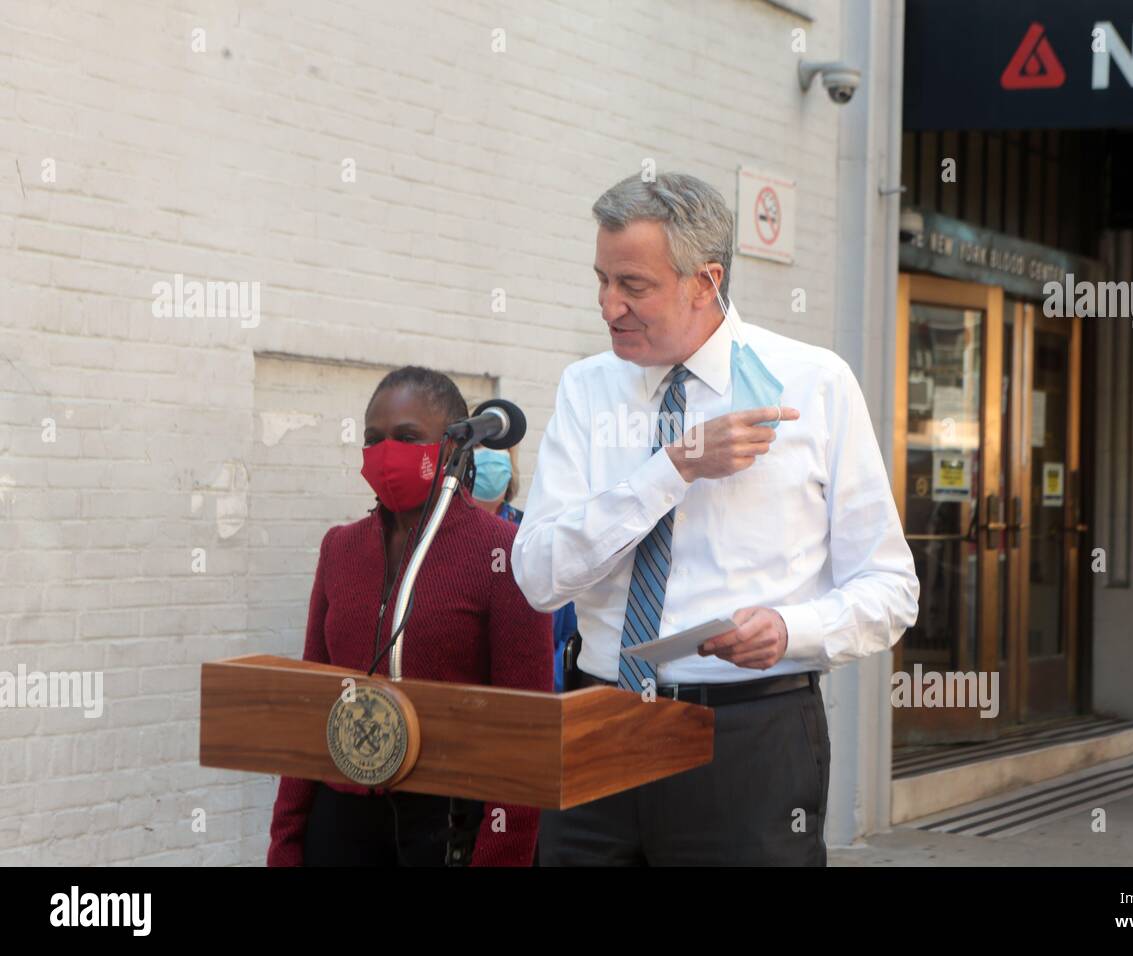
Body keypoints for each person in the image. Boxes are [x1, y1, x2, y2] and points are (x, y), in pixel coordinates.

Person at [511, 172, 919, 866]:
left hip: (748, 739)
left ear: (705, 281)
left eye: (633, 286)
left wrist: (794, 629)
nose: (609, 306)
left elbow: (890, 588)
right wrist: (672, 470)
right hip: (596, 724)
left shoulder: (815, 384)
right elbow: (539, 578)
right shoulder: (587, 388)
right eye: (602, 280)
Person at [267, 366, 554, 866]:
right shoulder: (340, 548)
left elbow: (527, 735)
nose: (386, 453)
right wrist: (286, 844)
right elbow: (311, 707)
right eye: (373, 439)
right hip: (341, 822)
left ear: (451, 446)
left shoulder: (505, 553)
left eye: (407, 438)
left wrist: (500, 854)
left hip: (447, 822)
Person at [468, 446, 578, 691]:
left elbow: (569, 628)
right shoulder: (442, 534)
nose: (489, 455)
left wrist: (546, 681)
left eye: (499, 447)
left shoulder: (534, 534)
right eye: (480, 445)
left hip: (535, 688)